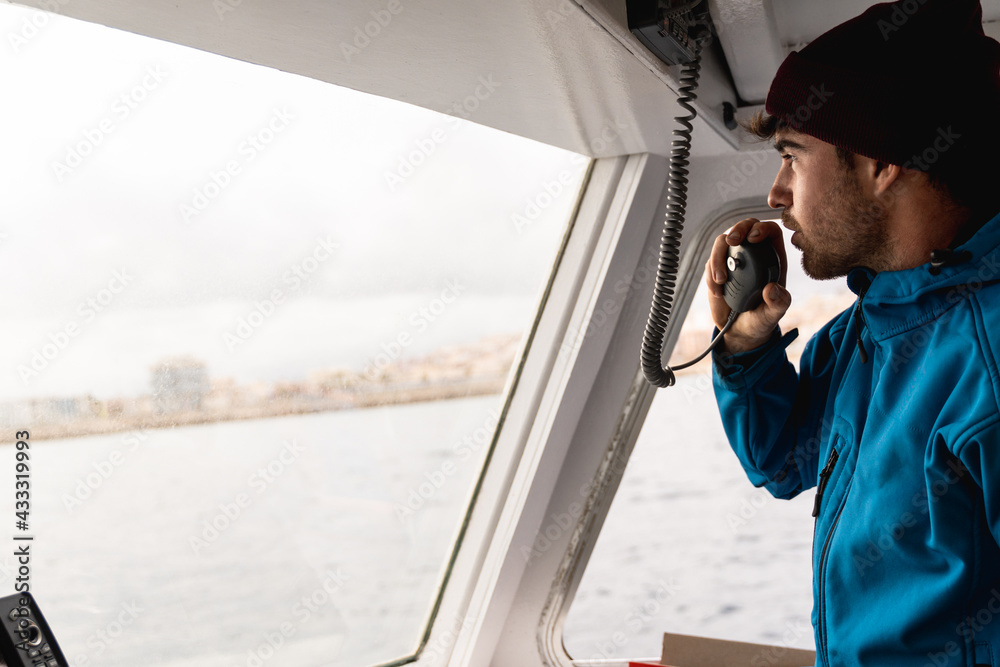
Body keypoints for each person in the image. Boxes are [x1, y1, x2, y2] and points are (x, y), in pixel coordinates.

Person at [707, 0, 1000, 665]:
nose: (777, 194)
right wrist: (747, 342)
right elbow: (781, 462)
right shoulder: (865, 334)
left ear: (882, 163)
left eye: (792, 158)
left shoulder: (989, 354)